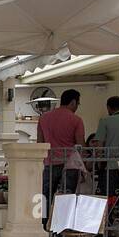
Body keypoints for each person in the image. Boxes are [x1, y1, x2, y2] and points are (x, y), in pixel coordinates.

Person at [37, 89, 85, 227]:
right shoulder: (76, 120)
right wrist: (84, 164)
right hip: (70, 164)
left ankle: (42, 226)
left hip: (49, 163)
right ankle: (61, 228)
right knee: (66, 197)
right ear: (73, 102)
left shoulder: (44, 118)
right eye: (78, 104)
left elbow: (40, 143)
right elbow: (80, 144)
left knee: (45, 196)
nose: (77, 107)